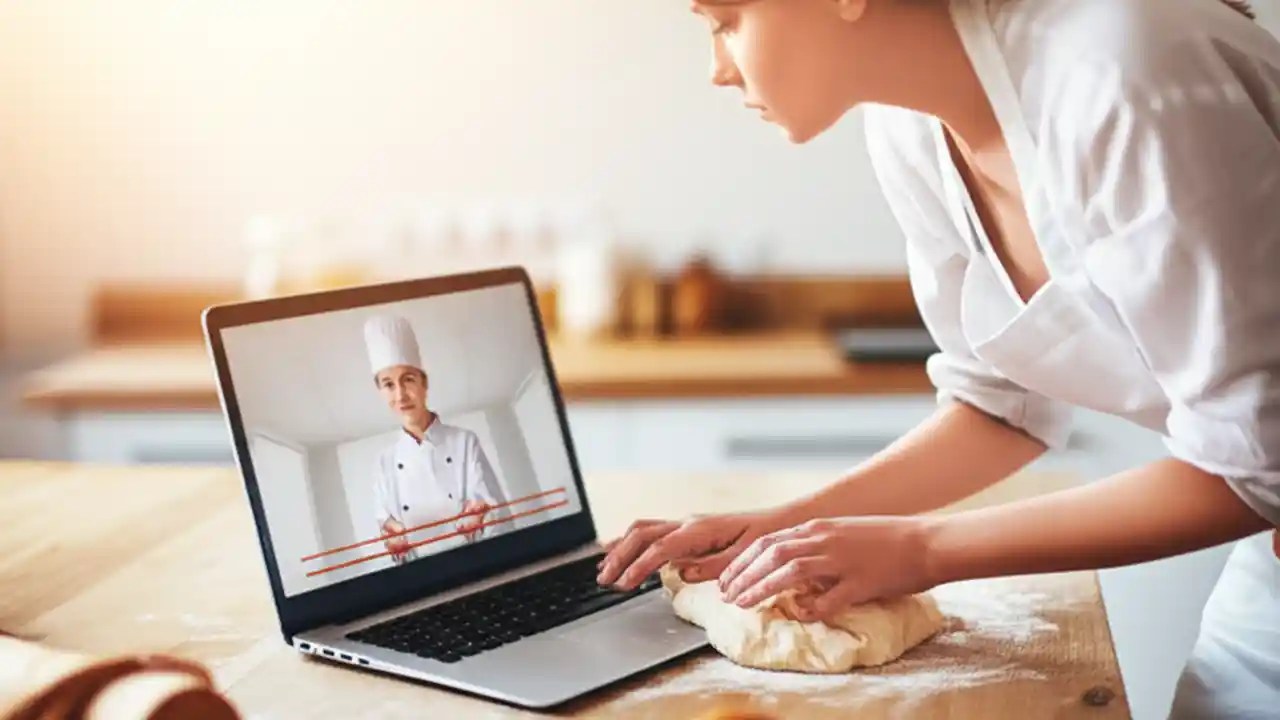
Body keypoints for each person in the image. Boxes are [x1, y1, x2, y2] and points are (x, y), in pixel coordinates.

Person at [596, 0, 1280, 716]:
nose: (718, 68)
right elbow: (1002, 409)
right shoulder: (910, 129)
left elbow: (1257, 461)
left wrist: (923, 549)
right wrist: (781, 528)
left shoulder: (1126, 69)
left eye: (727, 19)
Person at [364, 315, 507, 565]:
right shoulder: (383, 463)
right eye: (388, 384)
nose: (400, 395)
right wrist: (391, 536)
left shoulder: (464, 441)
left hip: (478, 563)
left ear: (424, 383)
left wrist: (481, 512)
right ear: (380, 392)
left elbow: (494, 506)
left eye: (408, 380)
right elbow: (385, 524)